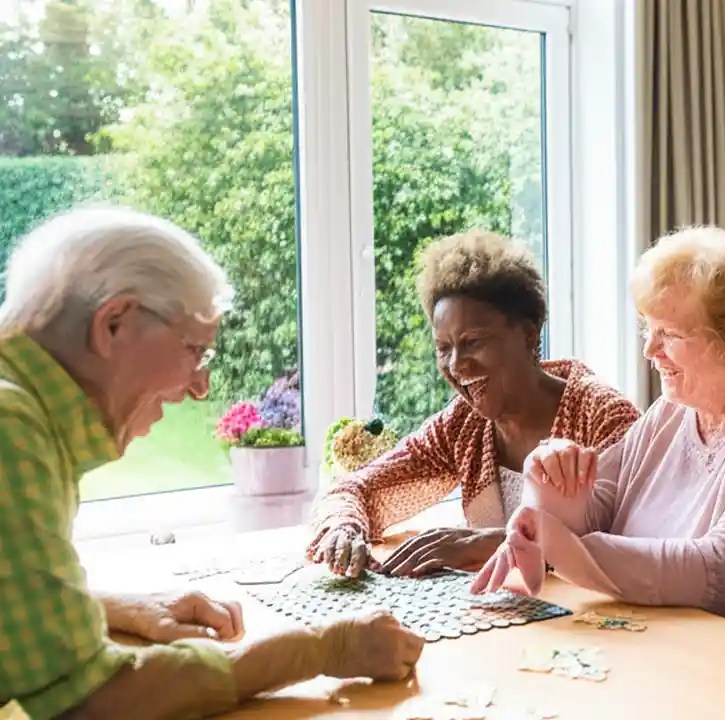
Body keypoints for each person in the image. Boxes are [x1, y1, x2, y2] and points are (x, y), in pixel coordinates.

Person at [0, 207, 424, 719]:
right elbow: (93, 703)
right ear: (114, 324)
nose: (200, 387)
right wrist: (322, 649)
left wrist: (122, 607)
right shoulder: (11, 430)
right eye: (195, 350)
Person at [470, 226, 725, 658]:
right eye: (648, 328)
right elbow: (600, 504)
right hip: (678, 653)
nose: (649, 349)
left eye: (669, 334)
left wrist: (569, 548)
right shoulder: (671, 414)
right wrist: (552, 490)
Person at [308, 230, 639, 579]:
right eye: (443, 348)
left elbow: (633, 539)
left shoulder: (603, 416)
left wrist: (485, 543)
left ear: (529, 334)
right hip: (507, 620)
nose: (456, 364)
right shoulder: (462, 425)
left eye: (473, 342)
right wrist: (342, 529)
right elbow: (354, 488)